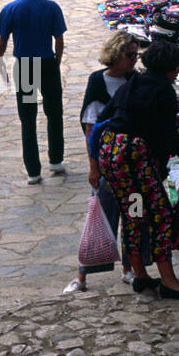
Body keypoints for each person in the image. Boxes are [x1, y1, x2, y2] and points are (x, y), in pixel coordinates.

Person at [89, 40, 179, 298]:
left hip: (111, 151)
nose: (177, 73)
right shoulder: (163, 90)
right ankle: (169, 280)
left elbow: (103, 118)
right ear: (169, 68)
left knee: (134, 211)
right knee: (161, 214)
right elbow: (167, 133)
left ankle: (140, 275)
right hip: (133, 154)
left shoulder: (134, 82)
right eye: (176, 68)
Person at [65, 32, 140, 292]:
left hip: (132, 163)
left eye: (136, 55)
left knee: (134, 217)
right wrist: (93, 166)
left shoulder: (134, 80)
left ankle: (130, 268)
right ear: (116, 55)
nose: (134, 60)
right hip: (108, 163)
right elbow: (90, 128)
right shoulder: (98, 82)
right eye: (130, 55)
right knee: (101, 217)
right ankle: (82, 275)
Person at [0, 0, 66, 184]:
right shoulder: (52, 7)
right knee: (54, 113)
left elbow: (3, 40)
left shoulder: (11, 9)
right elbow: (59, 40)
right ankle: (55, 159)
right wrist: (57, 61)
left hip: (25, 66)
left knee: (28, 118)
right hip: (47, 64)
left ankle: (33, 171)